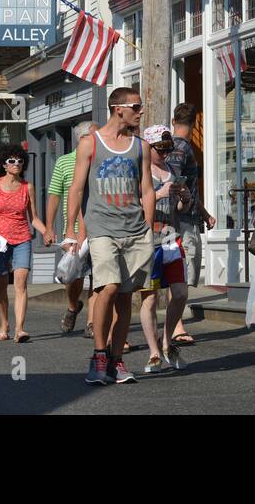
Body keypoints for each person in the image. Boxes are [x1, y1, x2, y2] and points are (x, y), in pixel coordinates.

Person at [65, 86, 153, 386]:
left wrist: (149, 226)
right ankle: (99, 354)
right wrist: (70, 228)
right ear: (119, 109)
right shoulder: (90, 144)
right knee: (109, 287)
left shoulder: (141, 147)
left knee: (126, 296)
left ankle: (116, 360)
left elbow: (147, 189)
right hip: (101, 228)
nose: (140, 112)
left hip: (135, 229)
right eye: (137, 107)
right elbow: (76, 188)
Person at [0, 144, 48, 342]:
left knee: (21, 283)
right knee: (1, 285)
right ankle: (4, 325)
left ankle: (20, 329)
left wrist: (46, 232)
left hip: (22, 238)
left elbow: (33, 217)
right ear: (4, 165)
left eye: (20, 161)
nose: (16, 164)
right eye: (12, 161)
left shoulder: (28, 187)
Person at [138, 125, 189, 374]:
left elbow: (178, 208)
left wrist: (183, 198)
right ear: (148, 146)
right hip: (148, 238)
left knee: (180, 293)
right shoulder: (140, 170)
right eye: (161, 149)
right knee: (149, 298)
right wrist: (158, 195)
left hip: (170, 236)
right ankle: (154, 352)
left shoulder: (171, 170)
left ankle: (167, 340)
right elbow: (131, 204)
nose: (165, 154)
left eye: (169, 148)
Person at [166, 103, 214, 345]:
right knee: (182, 274)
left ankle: (173, 325)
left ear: (174, 121)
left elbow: (184, 187)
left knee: (178, 273)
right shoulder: (182, 148)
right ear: (194, 123)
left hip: (178, 217)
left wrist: (204, 213)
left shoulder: (170, 147)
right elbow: (177, 184)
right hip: (181, 220)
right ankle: (176, 325)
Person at [44, 121, 97, 335]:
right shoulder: (64, 162)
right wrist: (49, 227)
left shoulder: (101, 161)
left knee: (99, 277)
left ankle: (93, 323)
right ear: (83, 139)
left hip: (99, 227)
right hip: (73, 229)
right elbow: (55, 195)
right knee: (74, 275)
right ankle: (73, 306)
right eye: (95, 136)